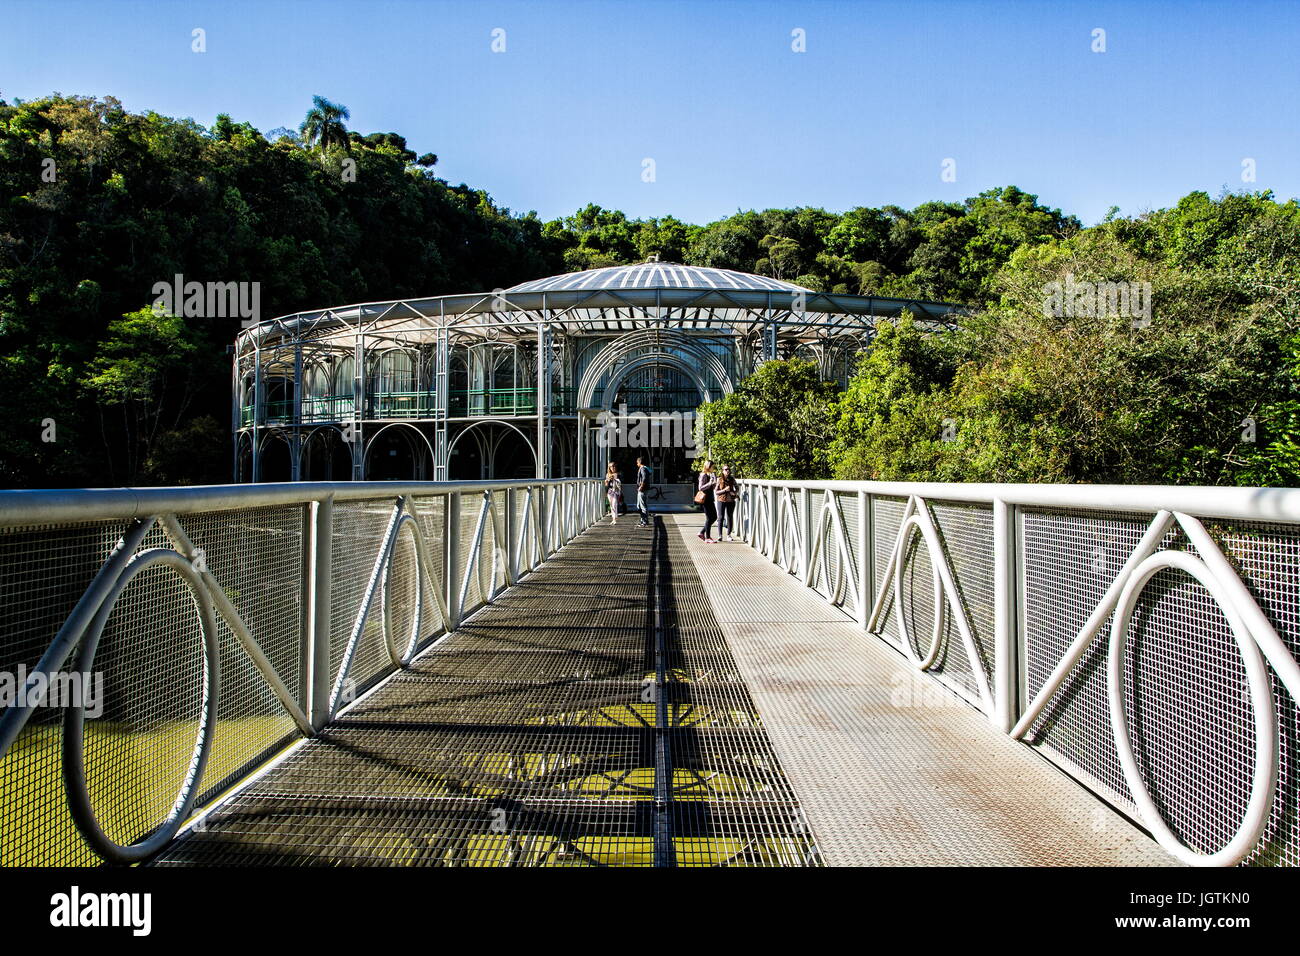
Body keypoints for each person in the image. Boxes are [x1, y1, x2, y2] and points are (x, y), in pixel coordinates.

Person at [714, 464, 739, 542]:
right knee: (720, 517)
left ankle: (729, 535)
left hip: (730, 501)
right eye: (725, 469)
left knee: (729, 517)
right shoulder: (719, 479)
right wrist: (725, 490)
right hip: (721, 500)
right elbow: (716, 491)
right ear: (722, 471)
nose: (727, 471)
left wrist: (734, 493)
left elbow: (737, 487)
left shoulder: (732, 479)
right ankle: (720, 535)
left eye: (728, 469)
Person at [696, 460, 718, 542]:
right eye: (712, 467)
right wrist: (710, 483)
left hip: (710, 498)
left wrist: (714, 482)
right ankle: (708, 537)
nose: (713, 468)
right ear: (708, 466)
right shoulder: (703, 475)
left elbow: (713, 487)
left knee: (714, 517)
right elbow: (700, 488)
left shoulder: (710, 475)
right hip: (705, 499)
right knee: (709, 518)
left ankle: (702, 533)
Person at [635, 456, 652, 527]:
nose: (636, 464)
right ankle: (643, 520)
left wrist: (641, 486)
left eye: (637, 462)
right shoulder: (645, 468)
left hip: (643, 489)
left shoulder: (642, 469)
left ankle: (645, 522)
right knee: (639, 505)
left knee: (642, 505)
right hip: (643, 489)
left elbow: (644, 478)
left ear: (639, 462)